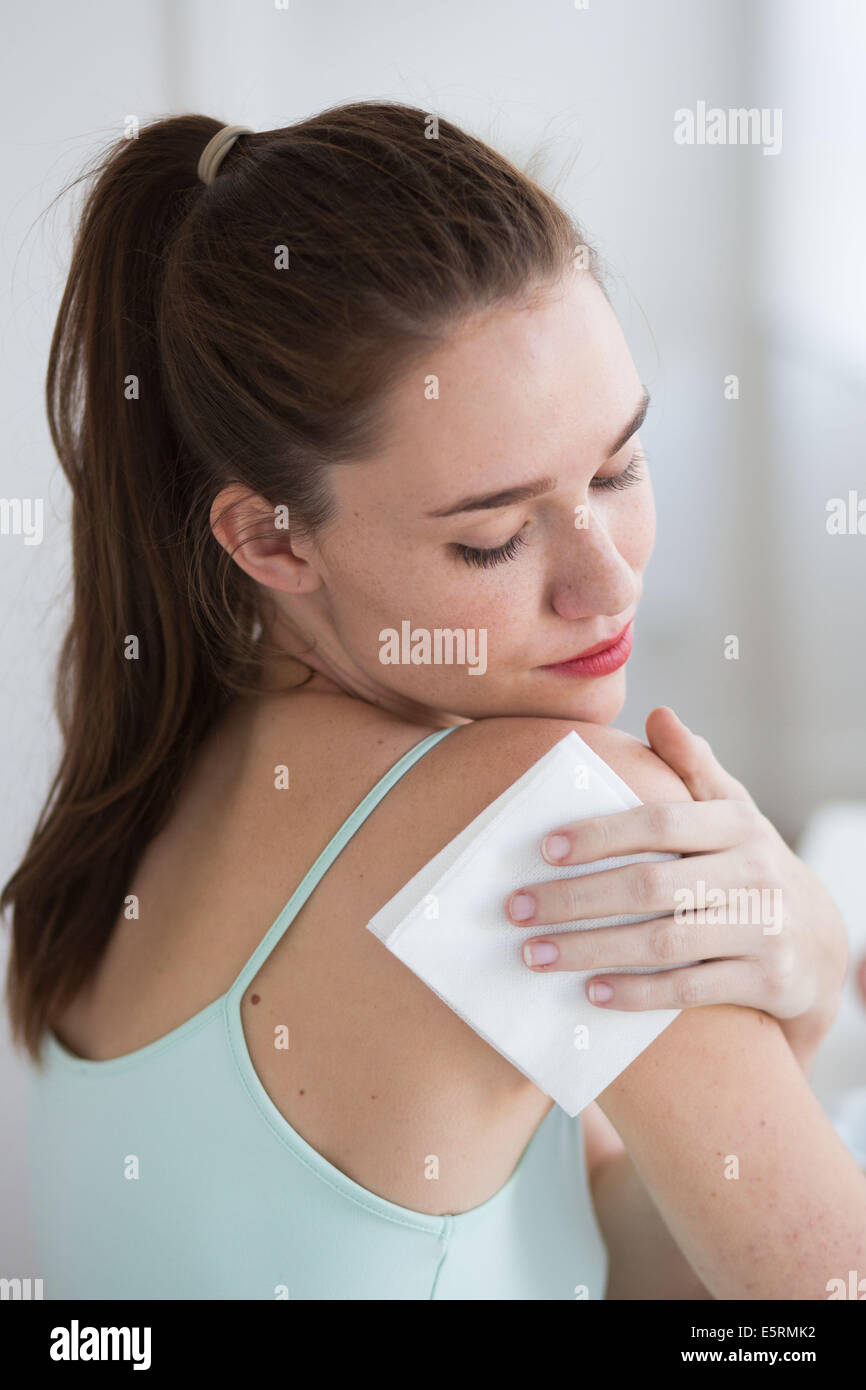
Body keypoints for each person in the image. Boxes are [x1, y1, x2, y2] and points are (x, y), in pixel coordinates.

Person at [3, 103, 861, 1300]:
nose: (609, 581)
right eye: (496, 537)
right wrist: (811, 959)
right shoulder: (538, 814)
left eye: (617, 466)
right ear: (270, 536)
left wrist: (806, 1000)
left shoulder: (131, 808)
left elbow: (589, 1242)